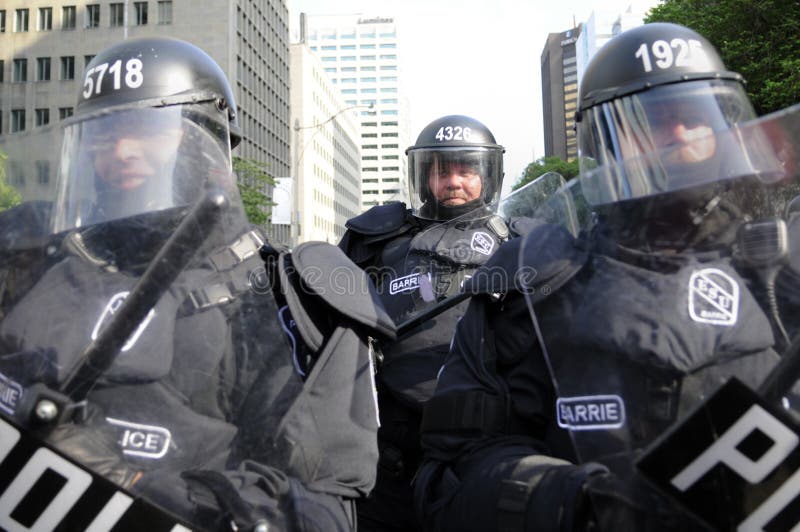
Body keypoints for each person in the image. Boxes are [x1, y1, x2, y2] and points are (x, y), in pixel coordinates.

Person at [415, 22, 800, 531]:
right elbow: (452, 467)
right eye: (655, 123)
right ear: (605, 147)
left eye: (696, 118)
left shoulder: (780, 263)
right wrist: (576, 501)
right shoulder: (537, 279)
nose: (681, 139)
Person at [0, 37, 395, 531]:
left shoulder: (282, 296)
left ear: (204, 143)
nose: (121, 151)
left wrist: (129, 485)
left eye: (147, 130)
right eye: (102, 135)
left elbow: (320, 511)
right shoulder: (40, 267)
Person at [338, 115, 509, 531]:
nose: (453, 181)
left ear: (487, 173)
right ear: (423, 175)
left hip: (492, 438)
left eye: (465, 168)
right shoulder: (378, 242)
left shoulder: (519, 243)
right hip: (391, 445)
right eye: (440, 169)